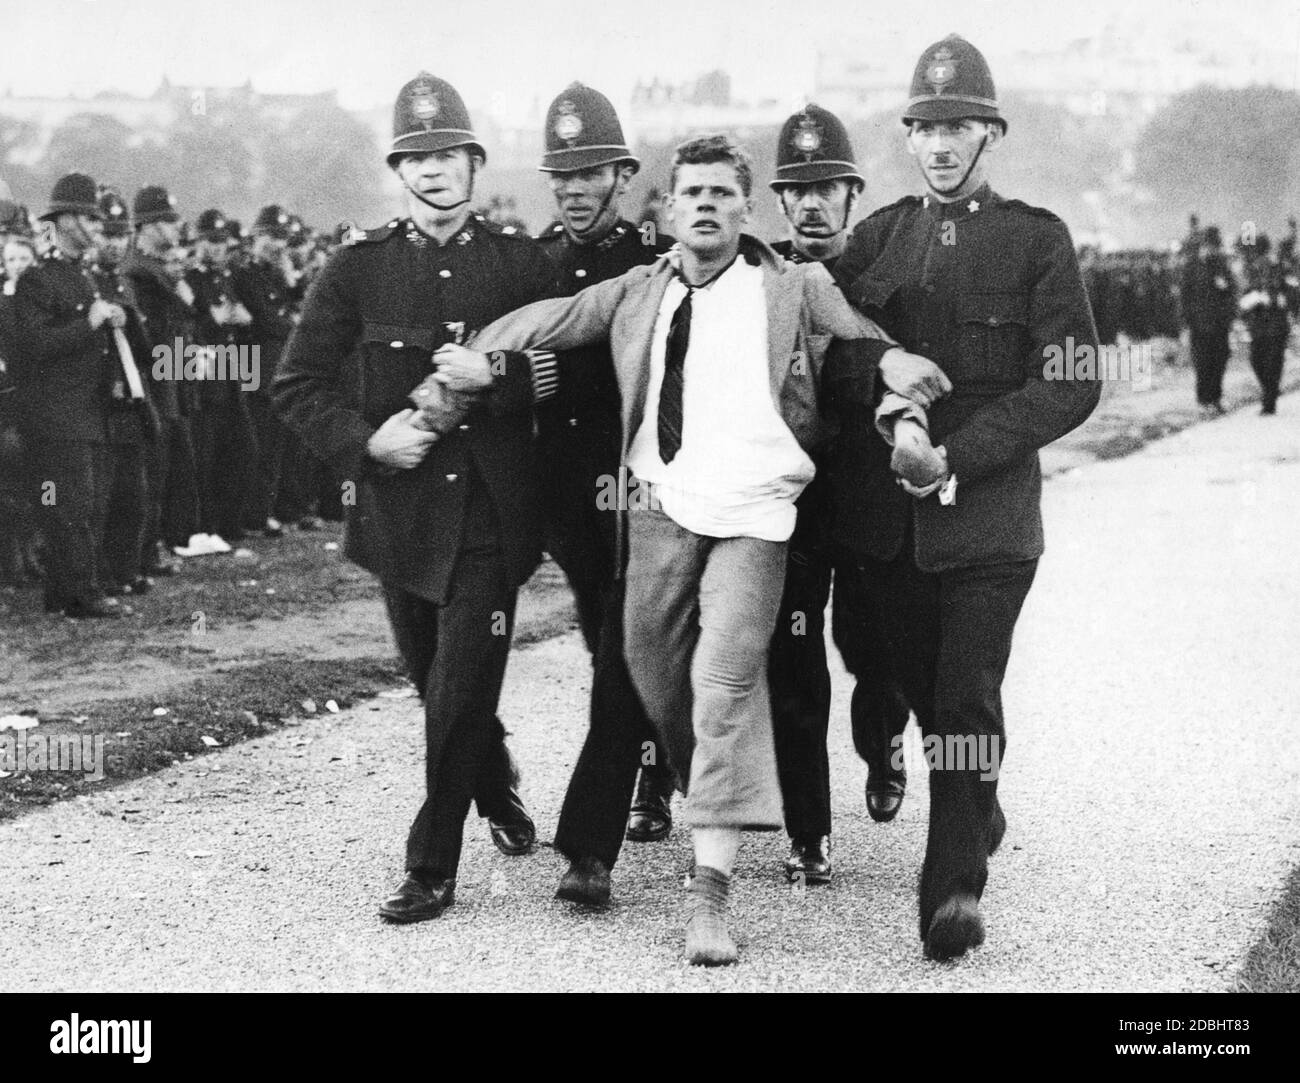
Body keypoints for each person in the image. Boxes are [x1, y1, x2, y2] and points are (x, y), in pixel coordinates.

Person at [446, 134, 944, 965]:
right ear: (668, 210)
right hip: (659, 514)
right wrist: (480, 355)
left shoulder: (793, 284)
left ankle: (710, 894)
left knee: (723, 685)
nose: (706, 204)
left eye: (722, 192)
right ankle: (716, 782)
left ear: (746, 208)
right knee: (653, 670)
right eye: (692, 193)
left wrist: (904, 395)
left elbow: (860, 346)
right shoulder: (638, 290)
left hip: (756, 517)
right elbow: (552, 321)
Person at [828, 34, 1101, 960]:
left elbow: (1069, 380)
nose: (941, 145)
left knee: (967, 695)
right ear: (908, 139)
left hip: (988, 522)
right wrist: (885, 376)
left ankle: (952, 893)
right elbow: (823, 336)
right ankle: (975, 805)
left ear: (993, 133)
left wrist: (954, 456)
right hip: (892, 531)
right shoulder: (880, 237)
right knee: (925, 695)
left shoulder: (1036, 240)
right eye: (926, 128)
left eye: (960, 127)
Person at [273, 71, 561, 924]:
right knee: (436, 683)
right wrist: (364, 442)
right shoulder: (358, 268)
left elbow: (567, 370)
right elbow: (295, 384)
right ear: (400, 172)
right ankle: (495, 783)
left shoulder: (520, 263)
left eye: (446, 154)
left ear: (475, 163)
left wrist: (500, 374)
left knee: (460, 683)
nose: (431, 171)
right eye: (414, 158)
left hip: (490, 514)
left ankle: (430, 864)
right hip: (397, 516)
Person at [530, 83, 677, 903]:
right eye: (562, 175)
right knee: (606, 640)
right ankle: (649, 765)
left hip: (643, 485)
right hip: (561, 493)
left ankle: (591, 845)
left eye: (590, 172)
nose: (576, 188)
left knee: (624, 647)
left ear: (623, 172)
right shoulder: (536, 264)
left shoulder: (653, 261)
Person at [766, 103, 912, 888]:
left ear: (854, 193)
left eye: (828, 187)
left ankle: (884, 738)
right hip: (790, 498)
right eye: (798, 190)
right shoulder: (761, 281)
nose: (814, 204)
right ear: (780, 202)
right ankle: (809, 831)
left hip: (867, 492)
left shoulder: (885, 279)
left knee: (872, 646)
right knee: (793, 658)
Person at [9, 173, 144, 617]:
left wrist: (113, 318)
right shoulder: (37, 281)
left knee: (88, 503)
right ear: (63, 220)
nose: (93, 226)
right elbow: (32, 349)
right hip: (54, 414)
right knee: (70, 506)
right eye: (86, 217)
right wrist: (86, 324)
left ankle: (68, 592)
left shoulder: (83, 278)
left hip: (89, 410)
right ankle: (78, 595)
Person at [123, 184, 201, 567]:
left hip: (170, 377)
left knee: (164, 469)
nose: (175, 228)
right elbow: (150, 337)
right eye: (168, 221)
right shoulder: (140, 272)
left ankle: (151, 547)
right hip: (153, 380)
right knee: (150, 472)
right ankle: (144, 551)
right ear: (149, 226)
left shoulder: (154, 269)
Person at [86, 188, 155, 598]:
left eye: (120, 234)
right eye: (106, 234)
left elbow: (145, 349)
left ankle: (125, 570)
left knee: (133, 494)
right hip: (97, 401)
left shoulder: (122, 283)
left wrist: (130, 319)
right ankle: (101, 576)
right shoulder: (86, 281)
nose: (113, 242)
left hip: (128, 399)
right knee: (101, 497)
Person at [1179, 225, 1237, 415]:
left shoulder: (1222, 266)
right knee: (1203, 364)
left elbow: (1232, 294)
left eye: (1214, 246)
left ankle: (1216, 398)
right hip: (1199, 326)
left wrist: (1229, 318)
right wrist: (1186, 323)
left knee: (1219, 362)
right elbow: (1184, 297)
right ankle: (1204, 400)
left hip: (1220, 325)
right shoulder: (1191, 267)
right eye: (1208, 246)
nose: (1211, 250)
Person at [1239, 235, 1293, 415]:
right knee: (1256, 361)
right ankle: (1271, 390)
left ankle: (1269, 402)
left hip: (1276, 324)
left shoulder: (1280, 268)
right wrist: (1251, 301)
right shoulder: (1252, 270)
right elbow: (1243, 296)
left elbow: (1291, 291)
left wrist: (1280, 300)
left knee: (1272, 364)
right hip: (1259, 325)